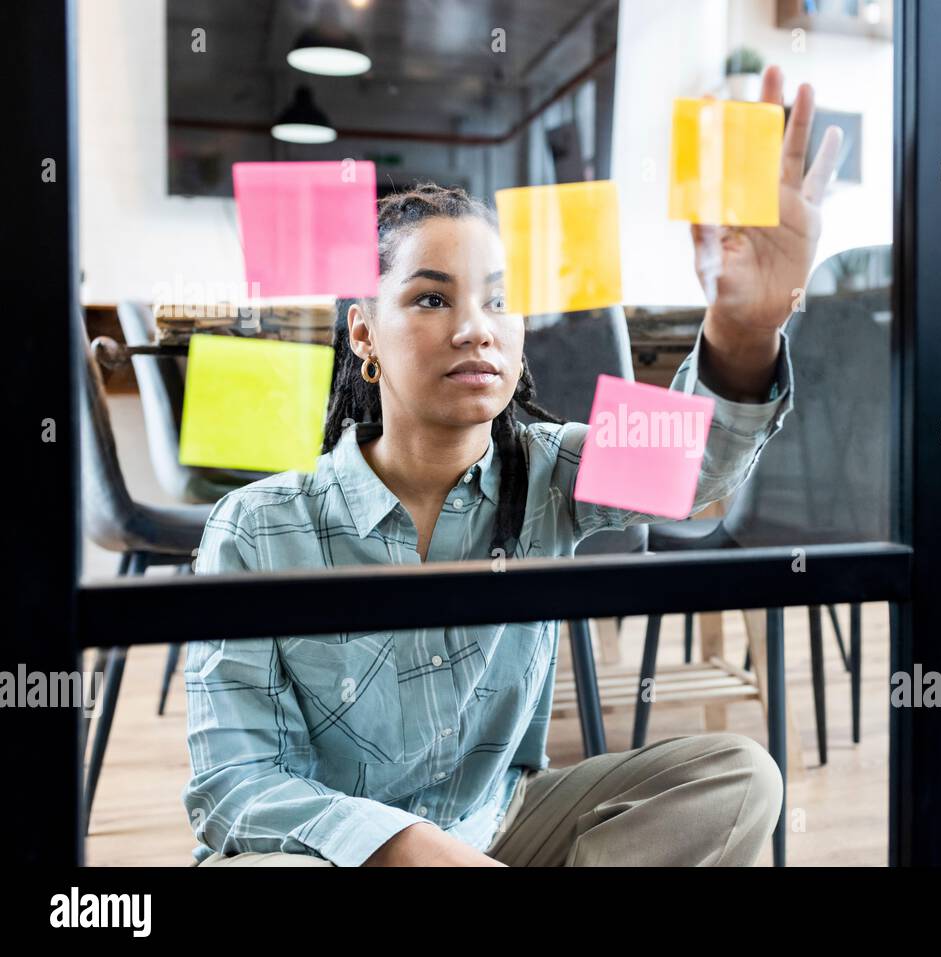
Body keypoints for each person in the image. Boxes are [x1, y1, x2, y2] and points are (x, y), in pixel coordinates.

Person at [184, 66, 842, 866]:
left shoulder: (548, 469)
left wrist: (741, 332)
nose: (475, 329)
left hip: (502, 830)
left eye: (498, 299)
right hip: (338, 857)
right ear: (363, 334)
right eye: (432, 299)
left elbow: (691, 471)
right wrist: (410, 848)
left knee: (739, 777)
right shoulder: (255, 529)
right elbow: (233, 787)